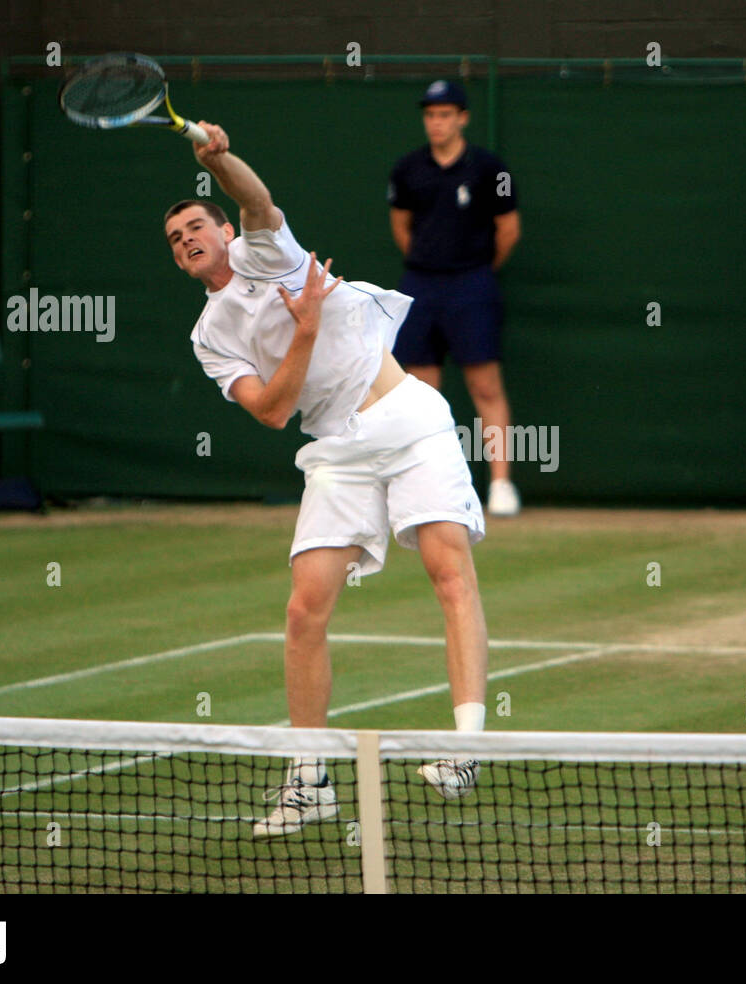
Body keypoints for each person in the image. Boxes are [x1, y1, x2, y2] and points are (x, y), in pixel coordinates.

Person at [168, 122, 489, 836]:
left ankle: (467, 750)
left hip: (406, 421)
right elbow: (275, 412)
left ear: (224, 235)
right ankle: (309, 782)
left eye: (196, 226)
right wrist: (305, 330)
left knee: (447, 571)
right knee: (302, 611)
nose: (187, 239)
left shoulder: (265, 251)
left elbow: (256, 201)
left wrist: (220, 159)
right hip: (335, 450)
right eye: (175, 238)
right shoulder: (208, 336)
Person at [388, 79, 523, 516]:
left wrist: (475, 270)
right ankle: (432, 486)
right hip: (421, 285)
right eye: (430, 115)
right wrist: (430, 266)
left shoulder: (491, 170)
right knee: (422, 390)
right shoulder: (406, 170)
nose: (437, 123)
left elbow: (508, 230)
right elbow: (401, 227)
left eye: (445, 114)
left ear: (463, 118)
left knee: (485, 384)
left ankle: (501, 485)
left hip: (473, 284)